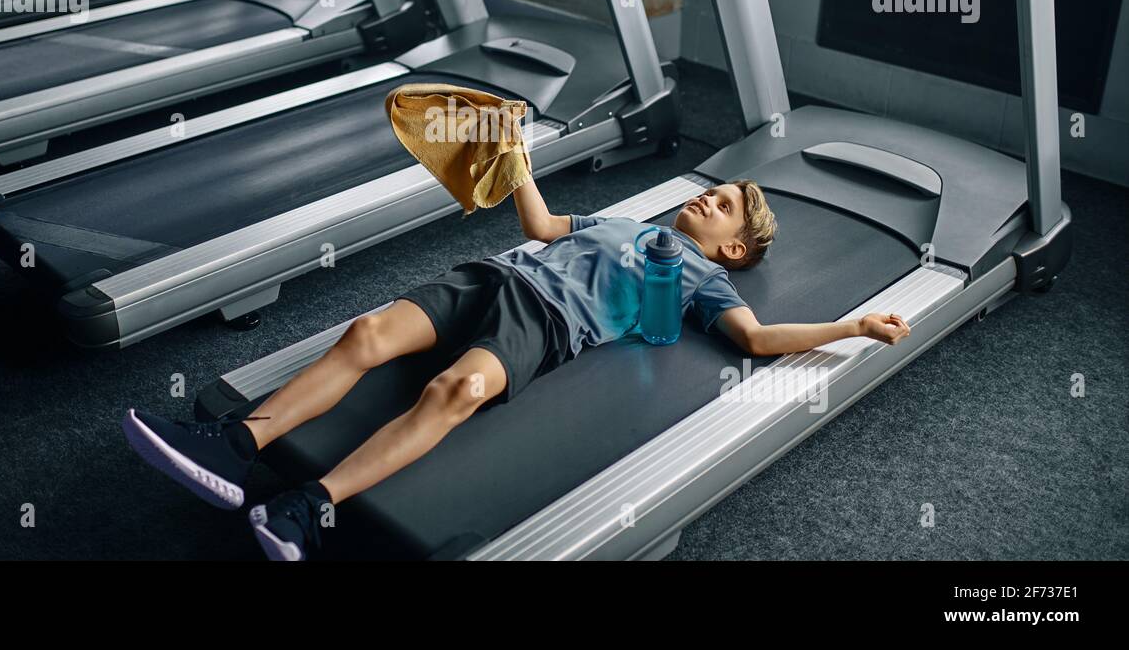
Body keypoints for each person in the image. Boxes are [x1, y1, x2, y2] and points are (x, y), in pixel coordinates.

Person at [122, 177, 910, 560]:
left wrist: (853, 325)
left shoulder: (700, 277)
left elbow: (757, 339)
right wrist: (518, 156)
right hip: (492, 276)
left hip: (546, 325)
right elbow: (537, 222)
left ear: (734, 248)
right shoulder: (621, 219)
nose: (707, 200)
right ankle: (231, 446)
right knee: (366, 331)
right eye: (711, 192)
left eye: (724, 206)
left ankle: (306, 508)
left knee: (454, 390)